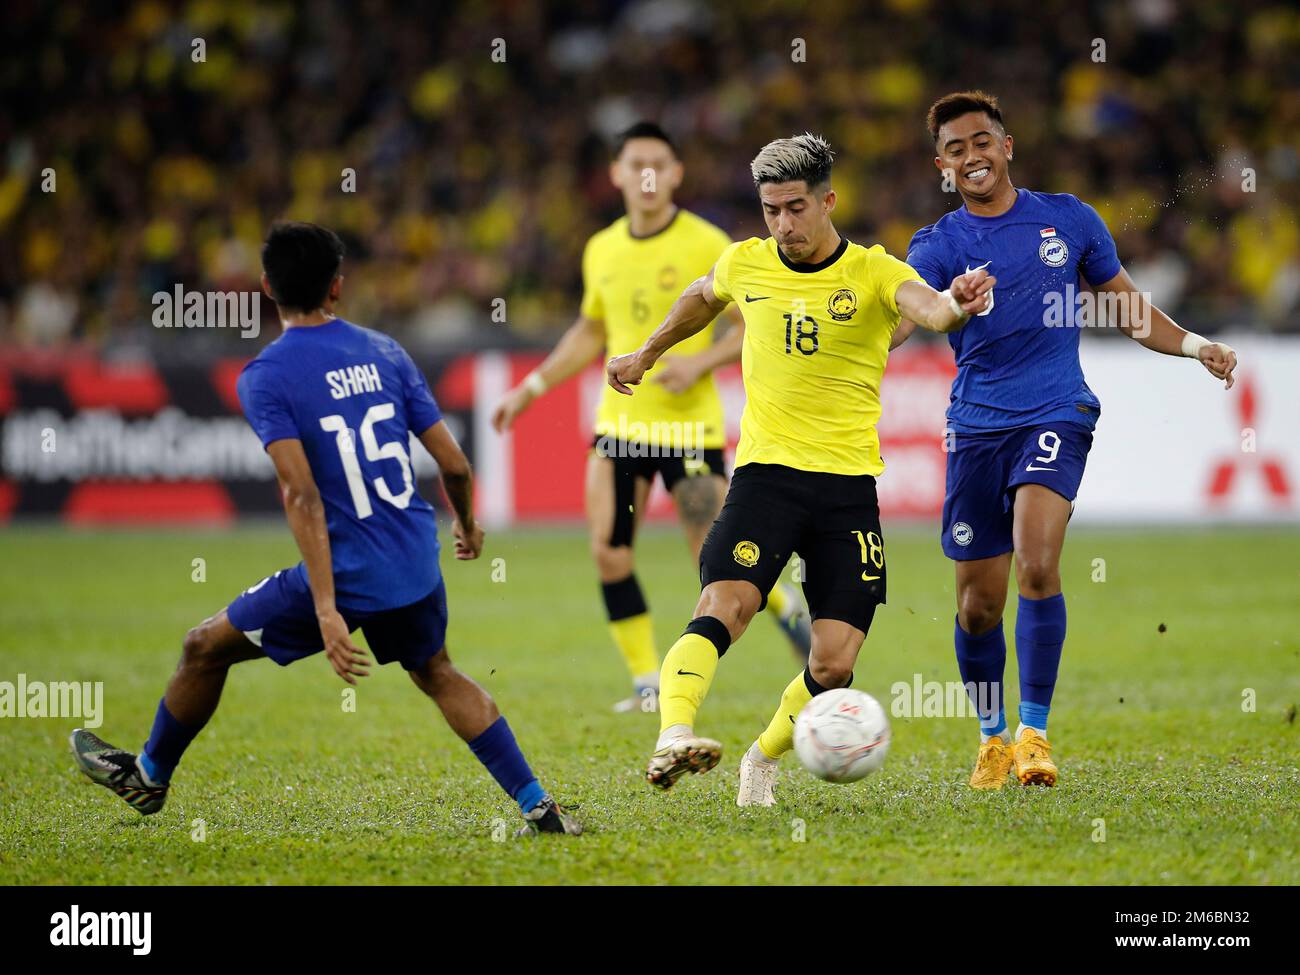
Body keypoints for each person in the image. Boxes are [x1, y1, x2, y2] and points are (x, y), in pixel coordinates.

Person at [70, 222, 580, 836]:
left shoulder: (266, 375)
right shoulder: (387, 351)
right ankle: (538, 806)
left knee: (202, 647)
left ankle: (149, 775)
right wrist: (467, 526)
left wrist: (327, 608)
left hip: (347, 570)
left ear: (265, 287)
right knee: (439, 672)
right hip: (413, 557)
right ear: (337, 287)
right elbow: (455, 464)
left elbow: (300, 494)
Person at [606, 134, 994, 806]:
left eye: (794, 208)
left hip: (846, 492)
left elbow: (928, 309)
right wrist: (645, 352)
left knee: (834, 662)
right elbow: (702, 298)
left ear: (827, 201)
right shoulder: (747, 263)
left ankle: (761, 756)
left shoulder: (872, 271)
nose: (783, 224)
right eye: (770, 210)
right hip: (765, 478)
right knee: (726, 605)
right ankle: (673, 732)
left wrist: (957, 302)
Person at [900, 91, 1237, 789]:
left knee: (1037, 562)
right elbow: (905, 319)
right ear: (942, 164)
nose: (972, 157)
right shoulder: (937, 246)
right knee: (977, 604)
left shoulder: (1067, 220)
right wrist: (946, 306)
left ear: (1007, 145)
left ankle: (1033, 733)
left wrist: (1196, 344)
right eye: (956, 149)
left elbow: (1127, 307)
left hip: (1057, 410)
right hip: (975, 426)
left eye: (982, 142)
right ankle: (992, 737)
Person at [493, 122, 811, 714]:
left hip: (689, 429)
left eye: (658, 165)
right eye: (634, 164)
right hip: (621, 429)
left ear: (675, 174)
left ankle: (788, 610)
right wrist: (529, 388)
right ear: (615, 174)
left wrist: (701, 365)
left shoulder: (707, 242)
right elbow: (591, 330)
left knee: (718, 560)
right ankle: (645, 682)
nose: (646, 176)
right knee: (610, 551)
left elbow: (748, 324)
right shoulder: (601, 248)